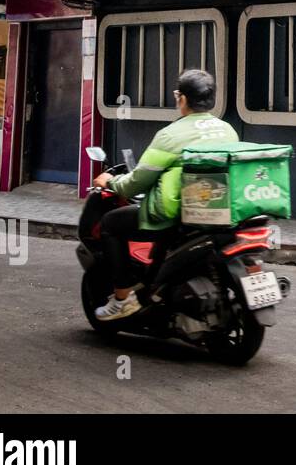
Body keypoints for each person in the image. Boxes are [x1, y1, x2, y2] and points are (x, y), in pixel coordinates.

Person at [92, 69, 237, 320]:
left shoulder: (170, 135)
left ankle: (123, 299)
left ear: (181, 99)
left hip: (176, 214)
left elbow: (135, 184)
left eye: (177, 95)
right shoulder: (228, 131)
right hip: (217, 210)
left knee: (111, 224)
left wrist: (111, 182)